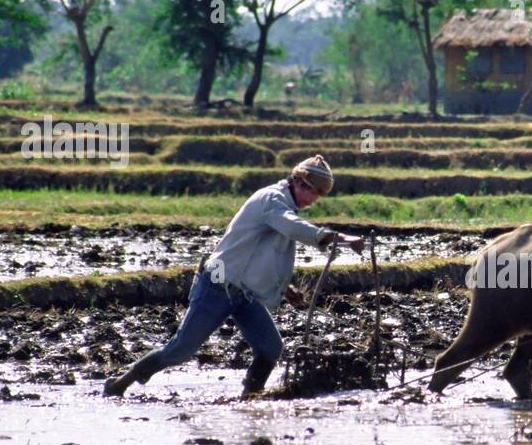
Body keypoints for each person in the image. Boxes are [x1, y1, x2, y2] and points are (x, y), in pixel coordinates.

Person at [103, 155, 365, 398]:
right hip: (217, 284)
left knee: (271, 348)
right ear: (297, 181)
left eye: (319, 194)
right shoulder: (272, 200)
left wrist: (286, 289)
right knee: (180, 349)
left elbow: (263, 256)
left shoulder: (285, 206)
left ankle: (250, 398)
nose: (315, 199)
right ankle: (121, 383)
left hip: (245, 293)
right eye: (313, 191)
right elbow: (293, 227)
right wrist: (338, 238)